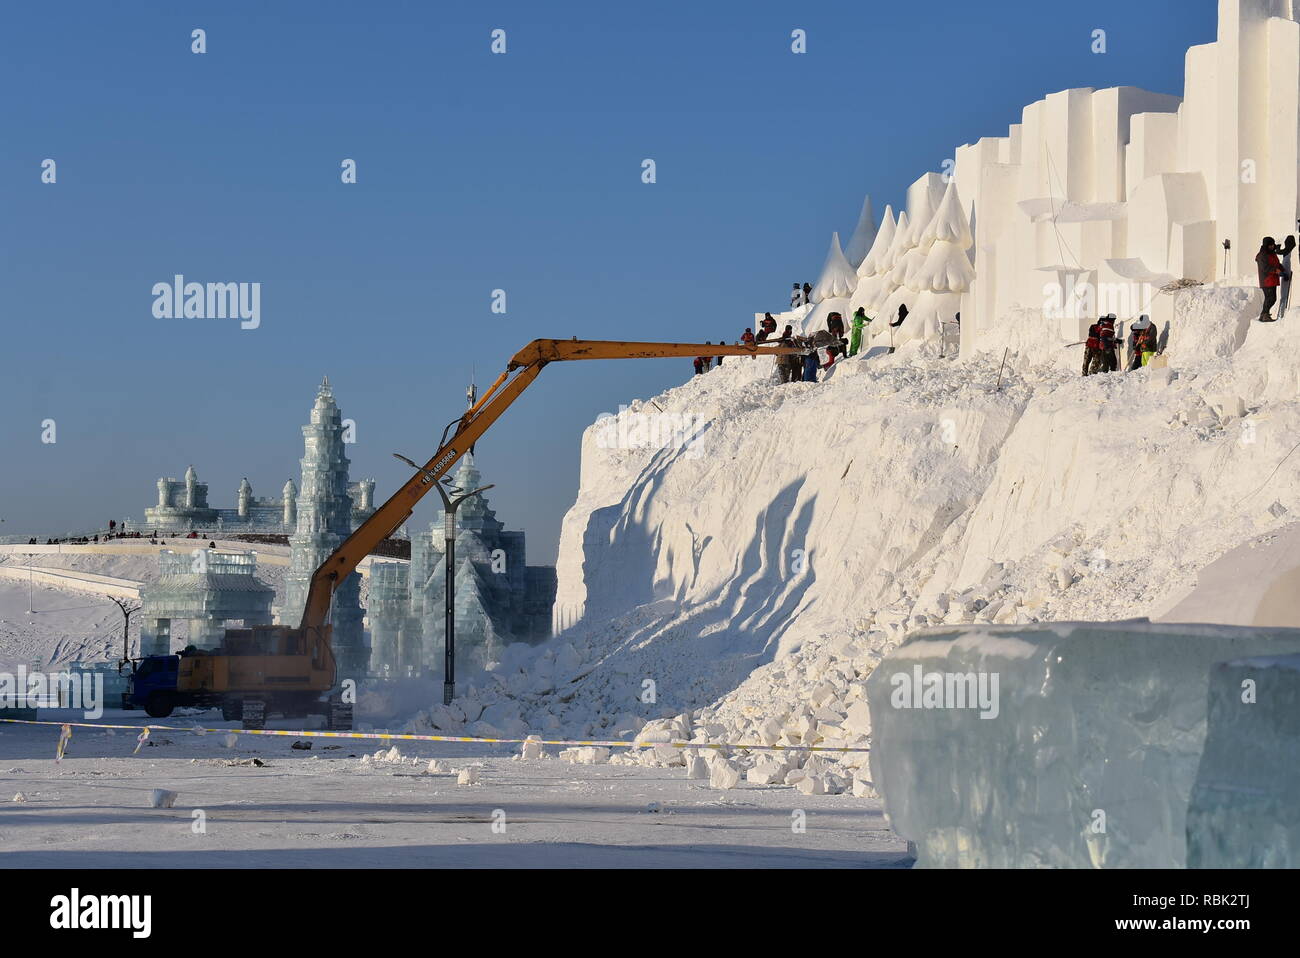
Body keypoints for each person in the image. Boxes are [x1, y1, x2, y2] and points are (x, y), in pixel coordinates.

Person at [1257, 236, 1283, 322]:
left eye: (1272, 244)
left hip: (1272, 279)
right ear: (1266, 245)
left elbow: (1277, 264)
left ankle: (1264, 315)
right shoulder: (1262, 255)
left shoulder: (1272, 253)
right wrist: (1275, 270)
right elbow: (1265, 267)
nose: (1272, 246)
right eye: (1270, 245)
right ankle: (1264, 315)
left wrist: (1282, 269)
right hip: (1266, 280)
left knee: (1271, 298)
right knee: (1270, 298)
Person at [1281, 235, 1296, 319]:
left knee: (1283, 296)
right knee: (1284, 296)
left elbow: (1279, 251)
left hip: (1285, 275)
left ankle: (1281, 313)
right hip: (1286, 275)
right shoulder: (1289, 251)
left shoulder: (1287, 251)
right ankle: (1282, 313)